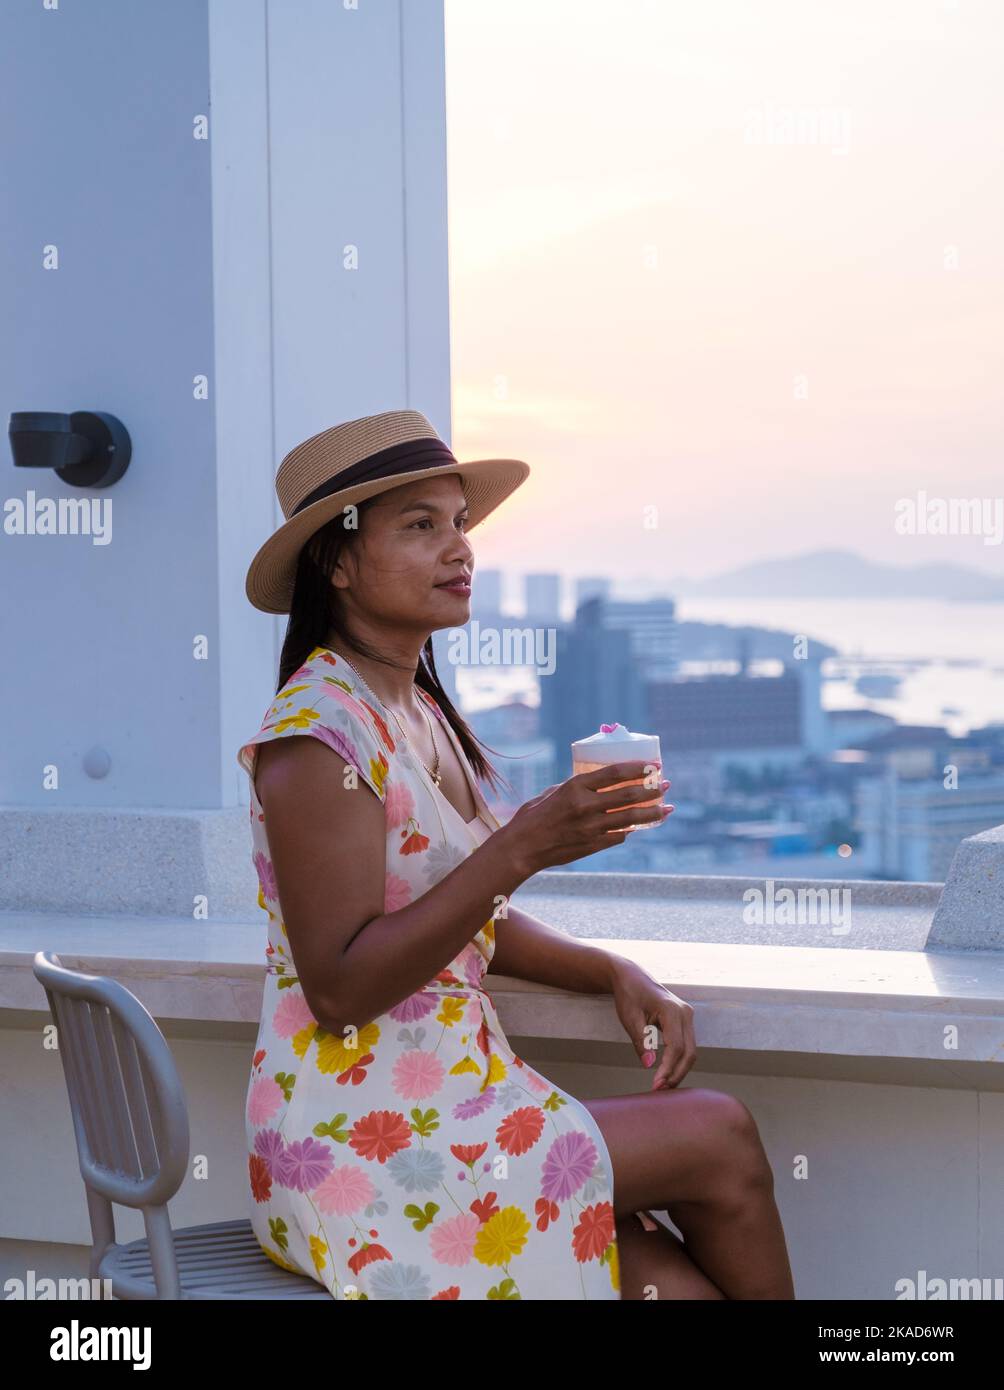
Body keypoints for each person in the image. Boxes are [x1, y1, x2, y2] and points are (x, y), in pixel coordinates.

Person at [237, 408, 795, 1300]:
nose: (459, 549)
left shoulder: (413, 709)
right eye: (420, 526)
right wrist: (525, 844)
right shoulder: (317, 735)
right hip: (363, 1148)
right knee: (718, 1136)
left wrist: (606, 969)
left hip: (455, 1107)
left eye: (459, 523)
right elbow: (340, 986)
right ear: (337, 562)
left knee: (668, 1285)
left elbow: (454, 911)